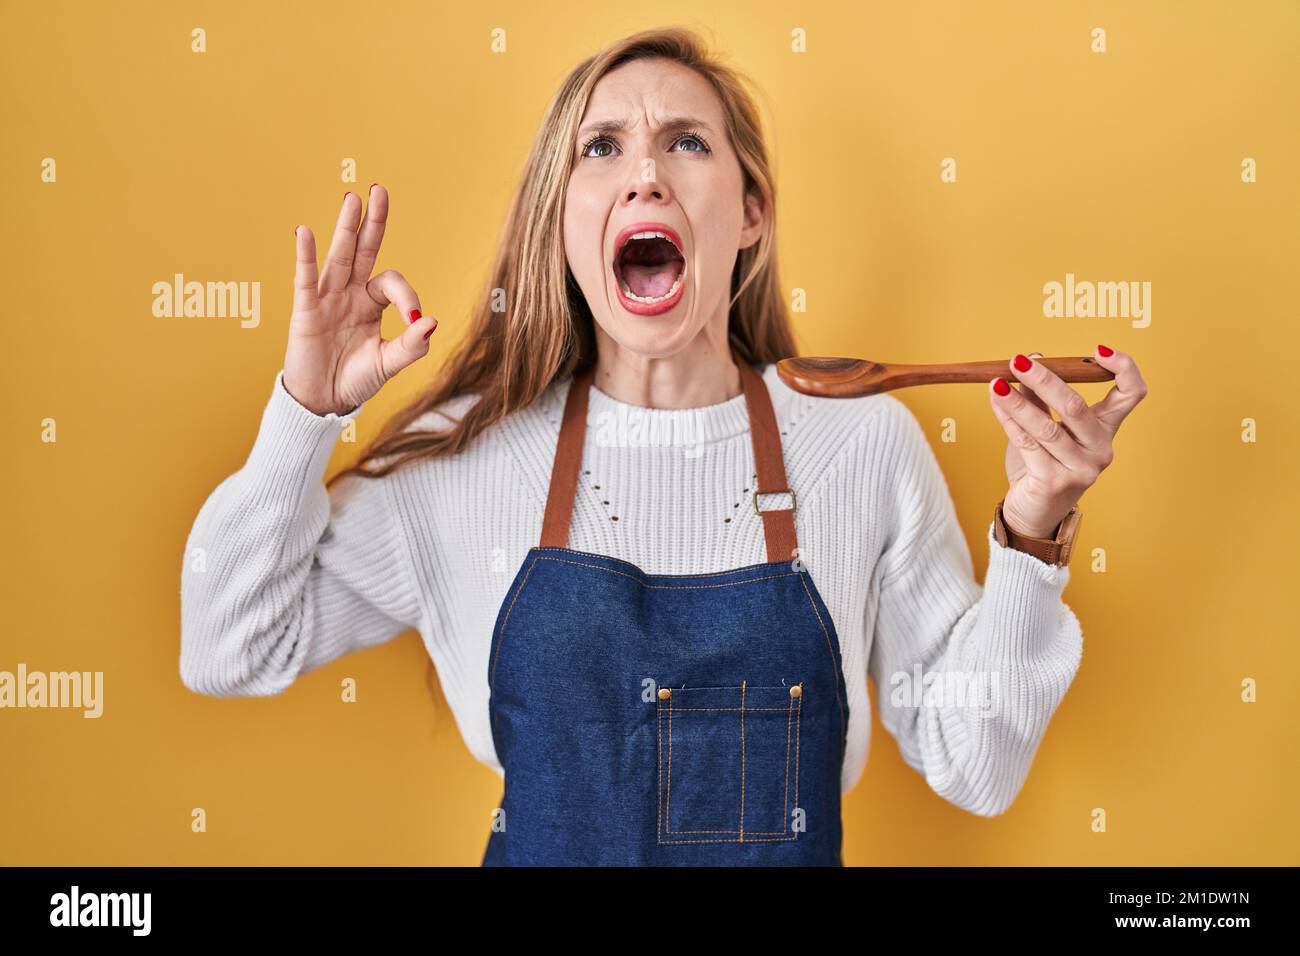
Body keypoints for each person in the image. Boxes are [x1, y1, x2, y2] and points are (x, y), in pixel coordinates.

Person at [179, 26, 1147, 866]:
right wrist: (305, 407)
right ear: (563, 221)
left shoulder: (861, 446)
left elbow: (974, 763)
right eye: (601, 148)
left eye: (686, 142)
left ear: (750, 212)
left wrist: (1033, 530)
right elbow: (228, 645)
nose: (644, 171)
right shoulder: (465, 459)